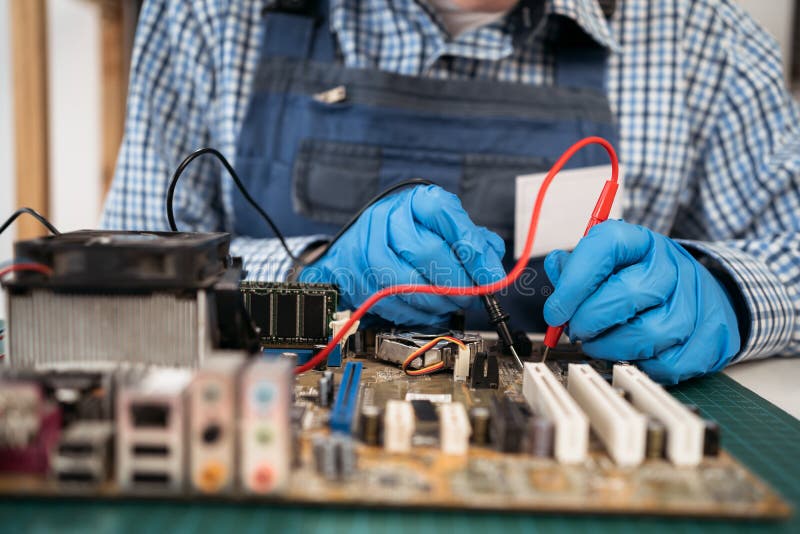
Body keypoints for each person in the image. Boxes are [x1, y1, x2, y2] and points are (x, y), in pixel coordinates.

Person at [101, 0, 799, 383]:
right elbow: (123, 276)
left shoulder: (702, 38)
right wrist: (302, 276)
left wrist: (725, 291)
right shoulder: (207, 15)